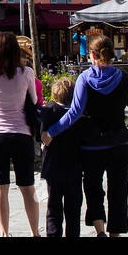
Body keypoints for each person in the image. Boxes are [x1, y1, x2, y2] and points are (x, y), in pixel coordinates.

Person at [42, 34, 128, 237]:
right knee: (118, 192)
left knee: (93, 189)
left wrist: (51, 132)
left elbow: (74, 113)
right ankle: (114, 234)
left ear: (91, 54)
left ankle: (100, 230)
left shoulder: (84, 79)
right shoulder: (125, 80)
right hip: (120, 145)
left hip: (92, 146)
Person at [0, 32, 40, 236]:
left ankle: (4, 232)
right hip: (22, 134)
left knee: (0, 187)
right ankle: (35, 232)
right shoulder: (26, 72)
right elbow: (35, 100)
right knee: (27, 187)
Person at [38, 77, 83, 237]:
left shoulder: (49, 112)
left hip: (53, 168)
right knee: (73, 209)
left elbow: (42, 136)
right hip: (73, 167)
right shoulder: (77, 115)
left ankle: (53, 234)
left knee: (53, 208)